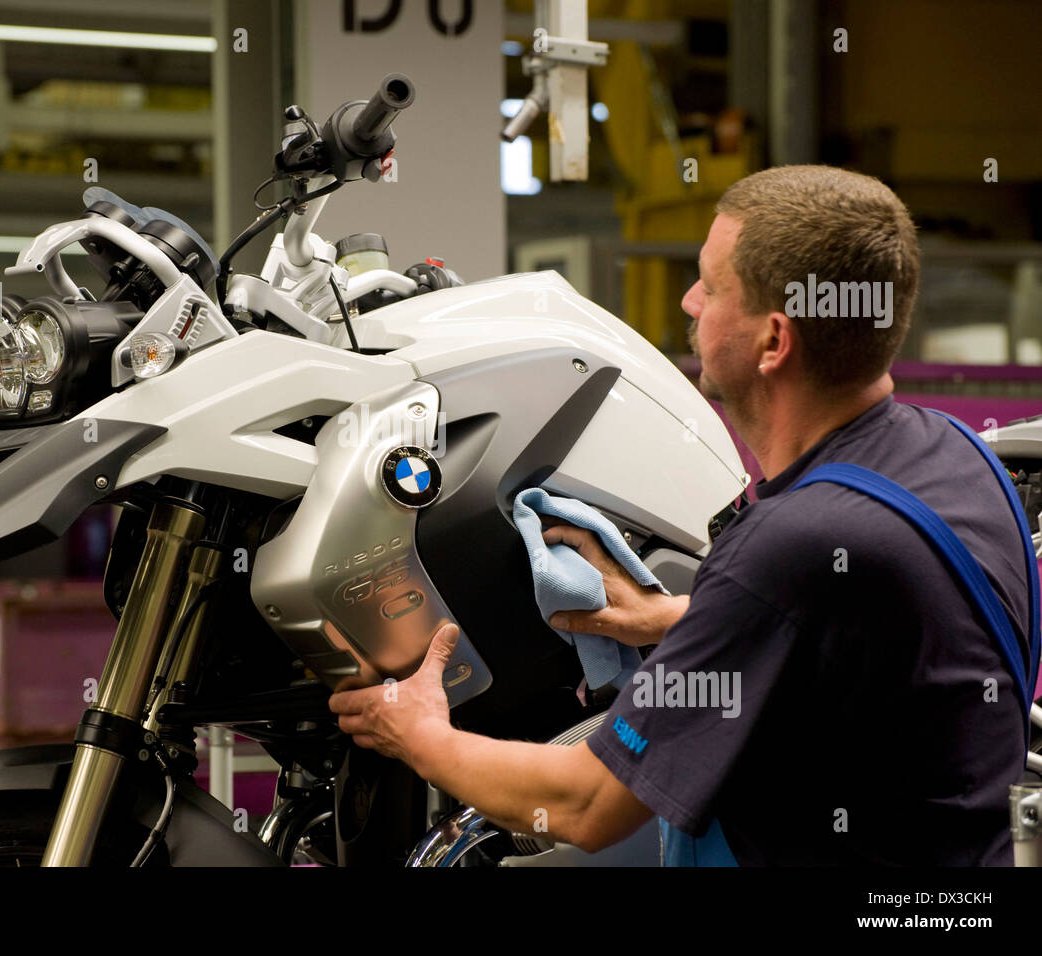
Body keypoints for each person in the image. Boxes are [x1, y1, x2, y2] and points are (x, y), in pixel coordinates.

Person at [329, 165, 1031, 865]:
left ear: (773, 341)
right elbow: (860, 640)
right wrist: (666, 616)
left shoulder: (792, 544)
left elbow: (586, 805)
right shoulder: (963, 459)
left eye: (712, 285)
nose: (692, 302)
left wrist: (418, 733)